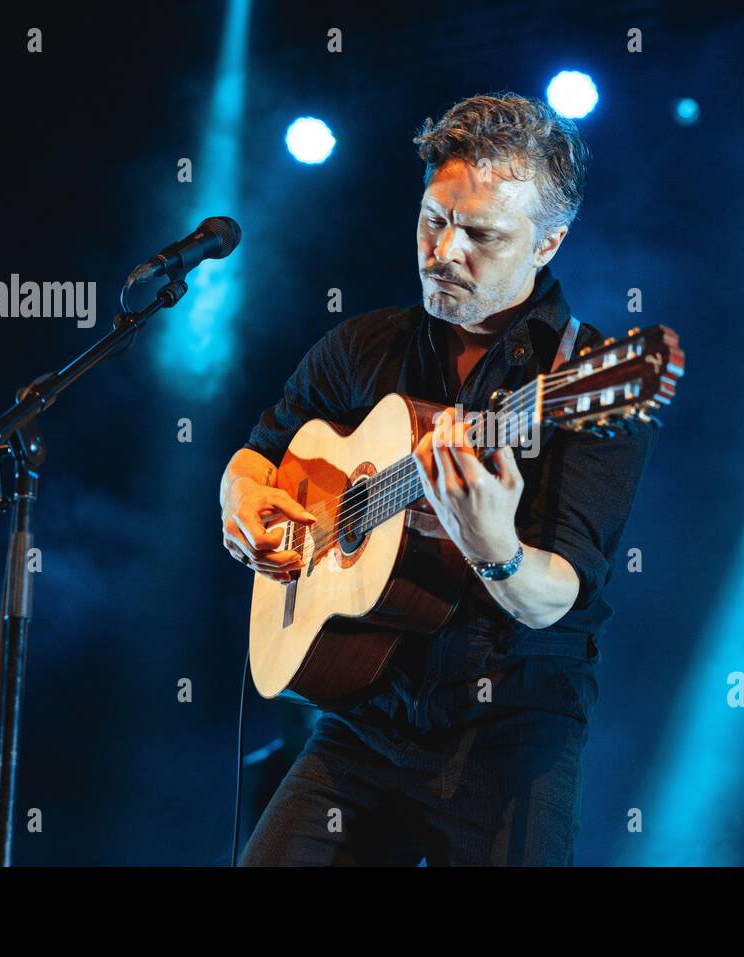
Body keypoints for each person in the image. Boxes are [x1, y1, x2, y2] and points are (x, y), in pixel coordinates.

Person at [221, 92, 657, 865]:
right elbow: (258, 452)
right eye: (433, 218)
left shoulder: (591, 384)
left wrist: (495, 547)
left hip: (512, 728)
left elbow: (560, 591)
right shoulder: (363, 346)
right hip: (365, 714)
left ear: (549, 241)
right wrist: (244, 501)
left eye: (482, 234)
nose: (444, 250)